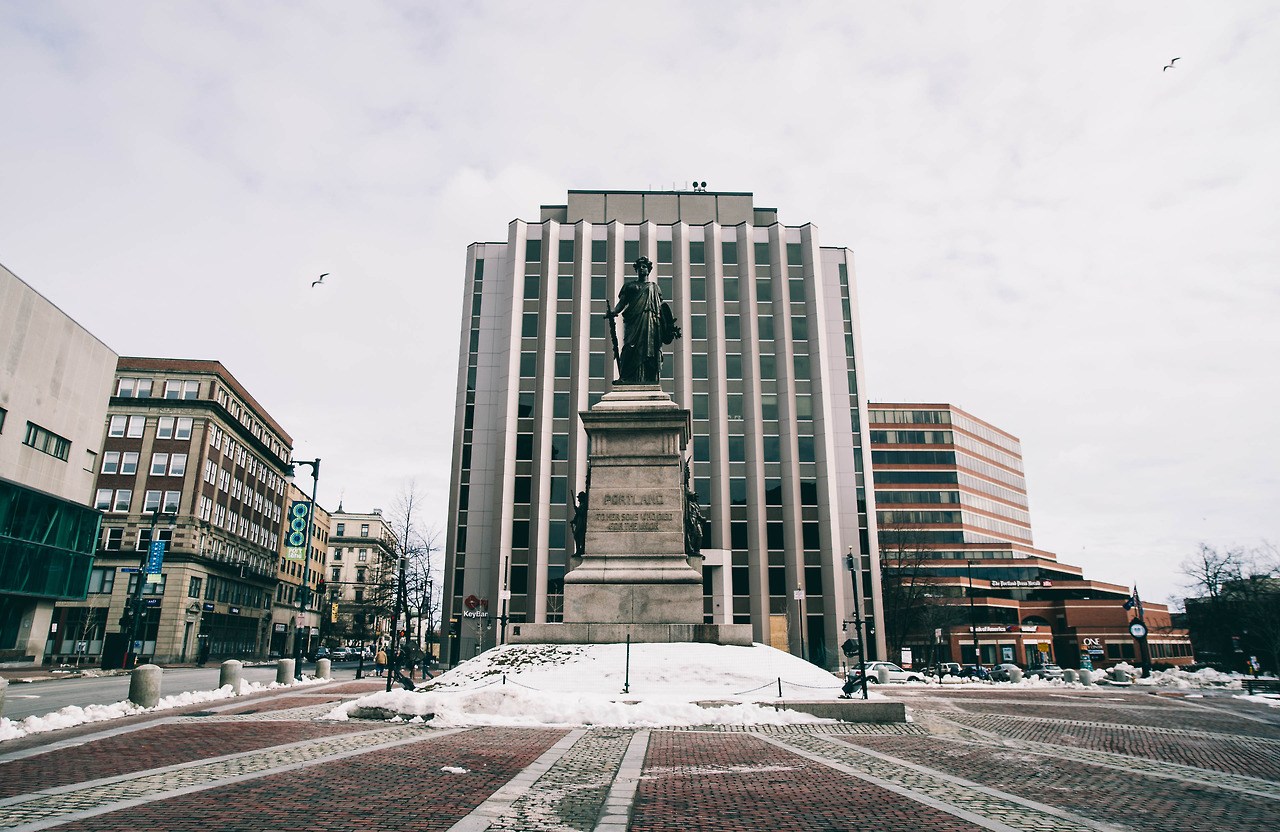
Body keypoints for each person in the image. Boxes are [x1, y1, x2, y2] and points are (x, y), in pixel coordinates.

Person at [607, 256, 679, 384]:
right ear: (636, 270)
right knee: (629, 347)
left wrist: (666, 327)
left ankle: (649, 378)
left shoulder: (654, 287)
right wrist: (613, 312)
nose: (641, 268)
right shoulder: (629, 286)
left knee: (649, 350)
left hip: (650, 322)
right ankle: (626, 377)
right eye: (639, 266)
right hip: (634, 322)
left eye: (644, 266)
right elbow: (622, 303)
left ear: (649, 270)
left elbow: (661, 309)